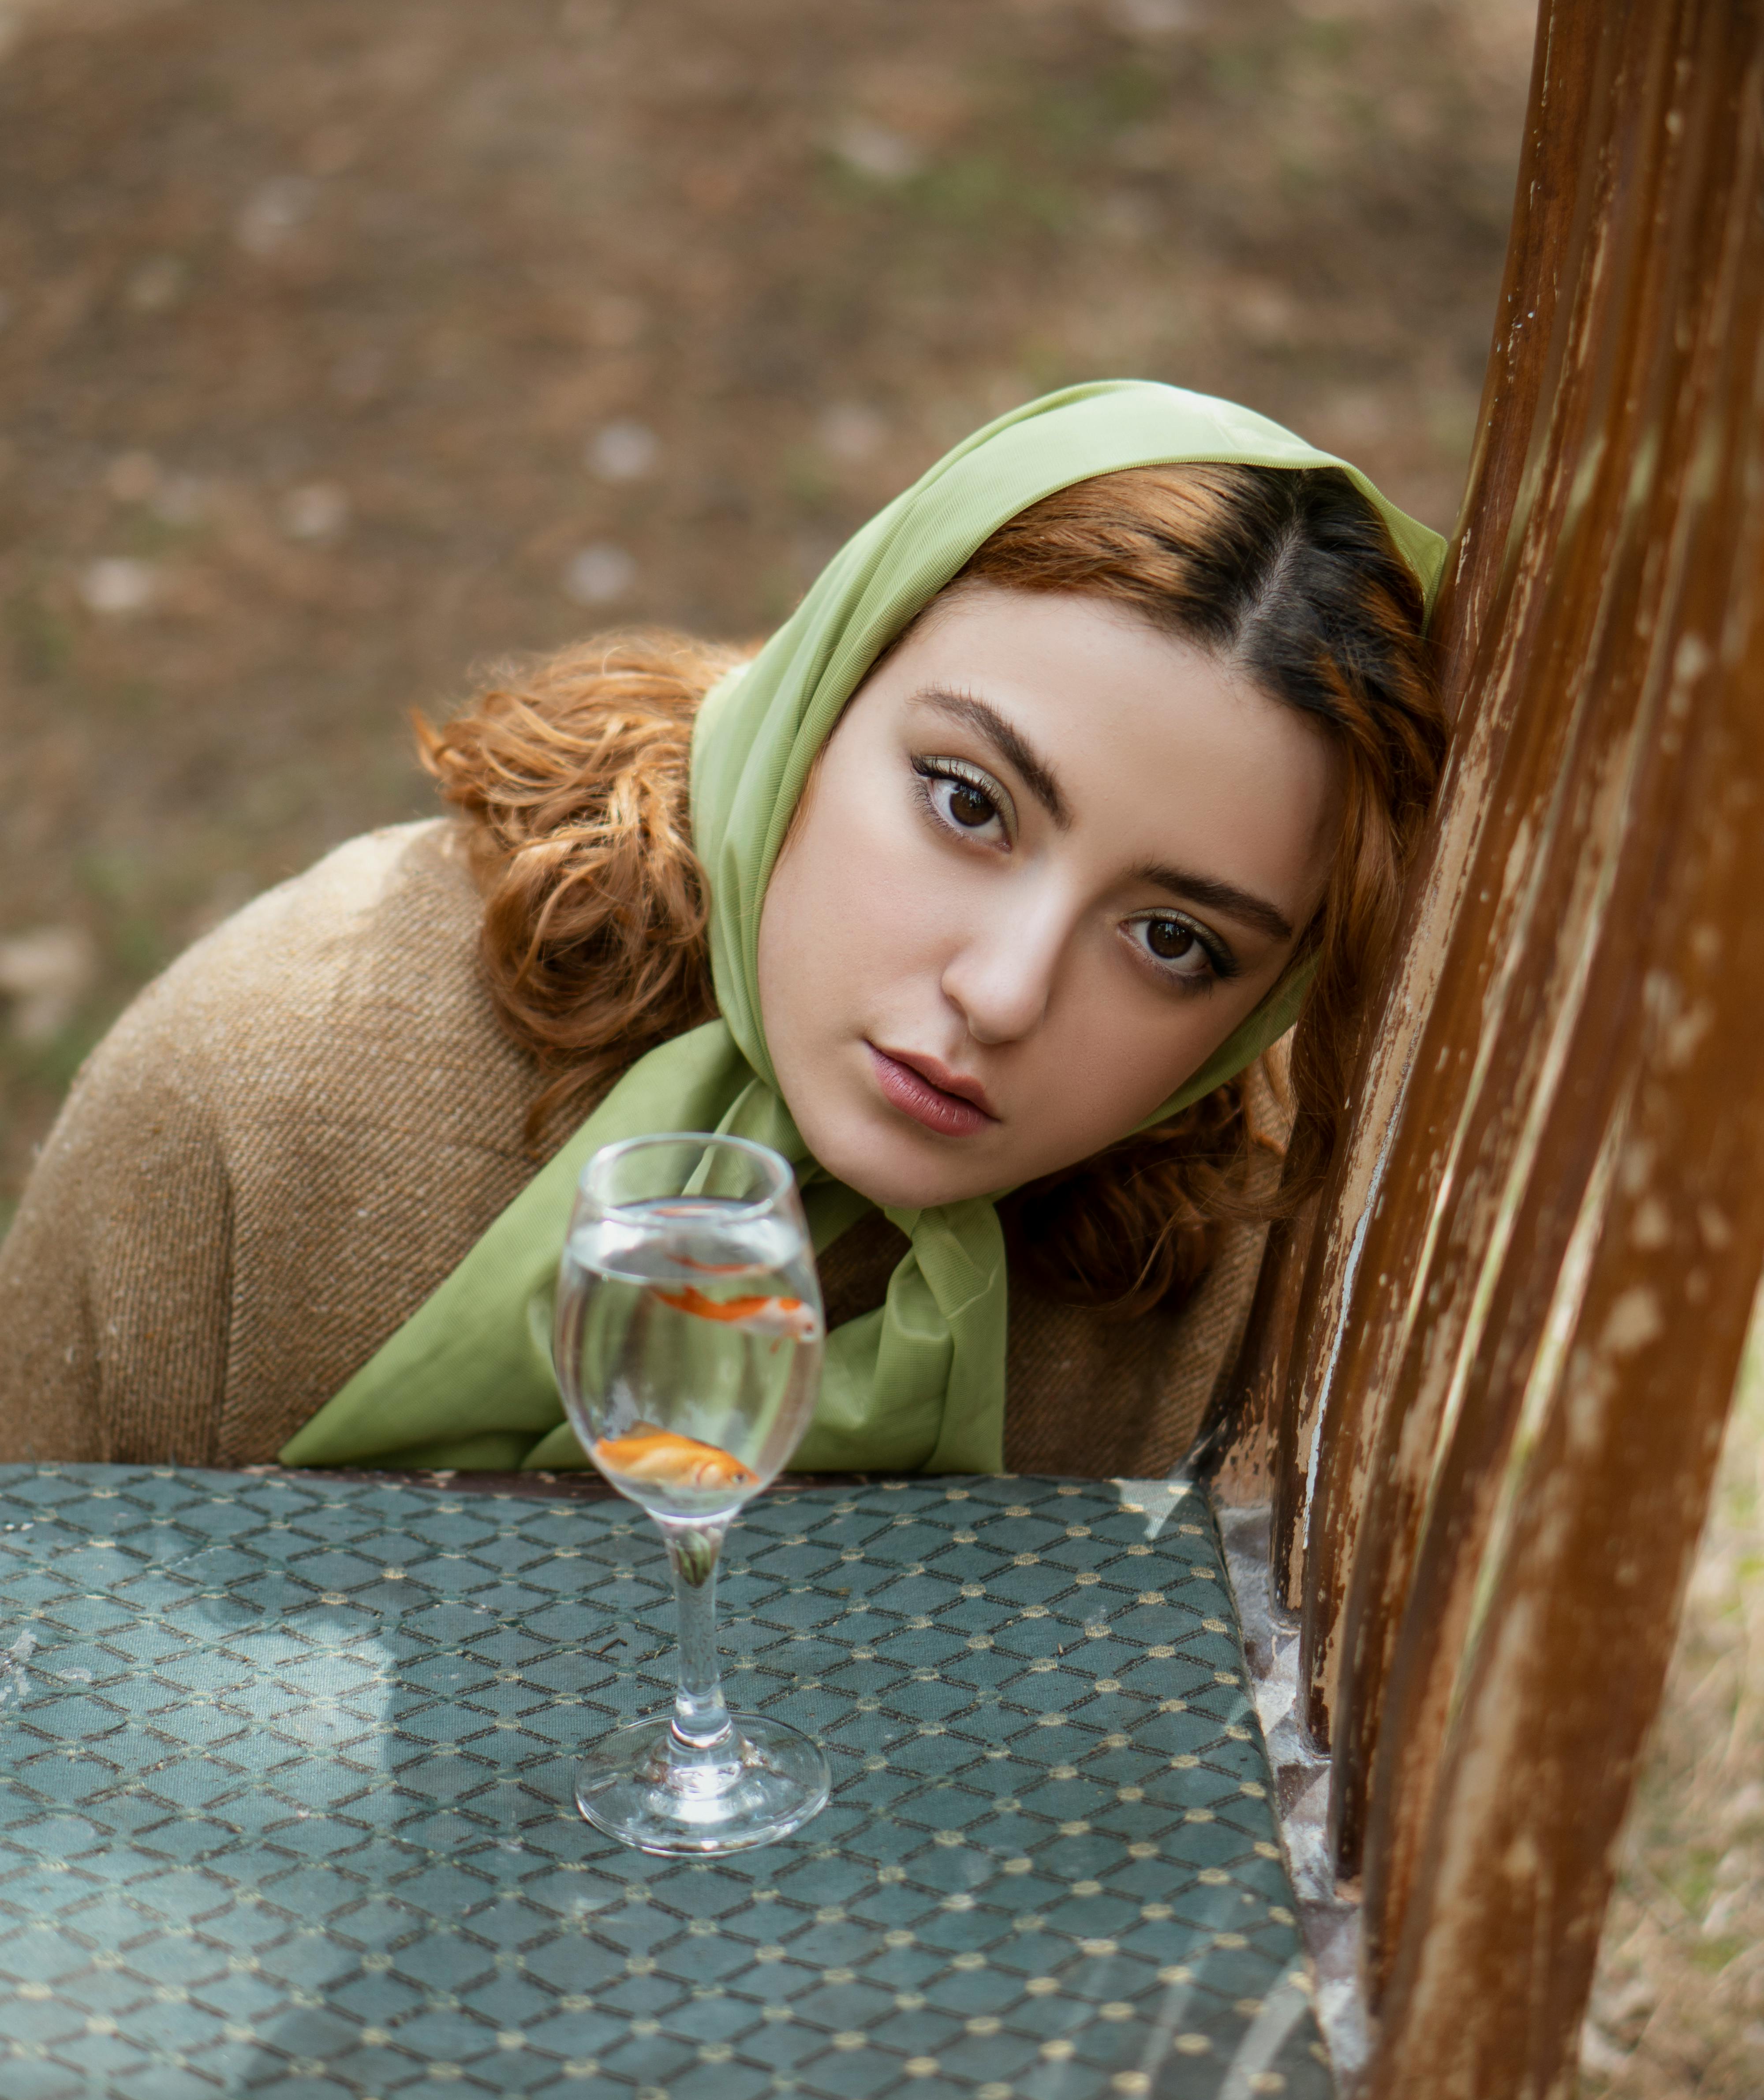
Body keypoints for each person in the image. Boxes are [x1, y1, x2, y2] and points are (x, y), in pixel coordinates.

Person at [0, 382, 1446, 1478]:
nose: (1002, 993)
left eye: (1175, 942)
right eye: (967, 802)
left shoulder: (1249, 1279)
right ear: (821, 697)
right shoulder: (274, 1088)